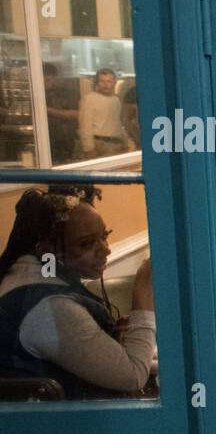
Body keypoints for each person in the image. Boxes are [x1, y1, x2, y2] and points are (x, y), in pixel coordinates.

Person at [0, 187, 155, 399]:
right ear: (46, 248)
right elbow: (133, 377)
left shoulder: (32, 270)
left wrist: (107, 341)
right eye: (87, 243)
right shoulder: (50, 308)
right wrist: (144, 286)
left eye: (104, 236)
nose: (106, 250)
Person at [78, 68, 127, 159]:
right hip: (99, 145)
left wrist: (128, 142)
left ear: (114, 82)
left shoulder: (116, 100)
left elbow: (118, 124)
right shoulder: (89, 99)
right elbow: (85, 126)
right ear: (97, 82)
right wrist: (88, 149)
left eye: (109, 81)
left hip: (116, 144)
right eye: (102, 81)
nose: (105, 85)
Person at [42, 63, 80, 165]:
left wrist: (46, 110)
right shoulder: (39, 93)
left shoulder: (66, 93)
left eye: (47, 80)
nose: (45, 84)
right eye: (43, 81)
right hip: (46, 142)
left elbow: (76, 114)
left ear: (55, 78)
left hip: (65, 141)